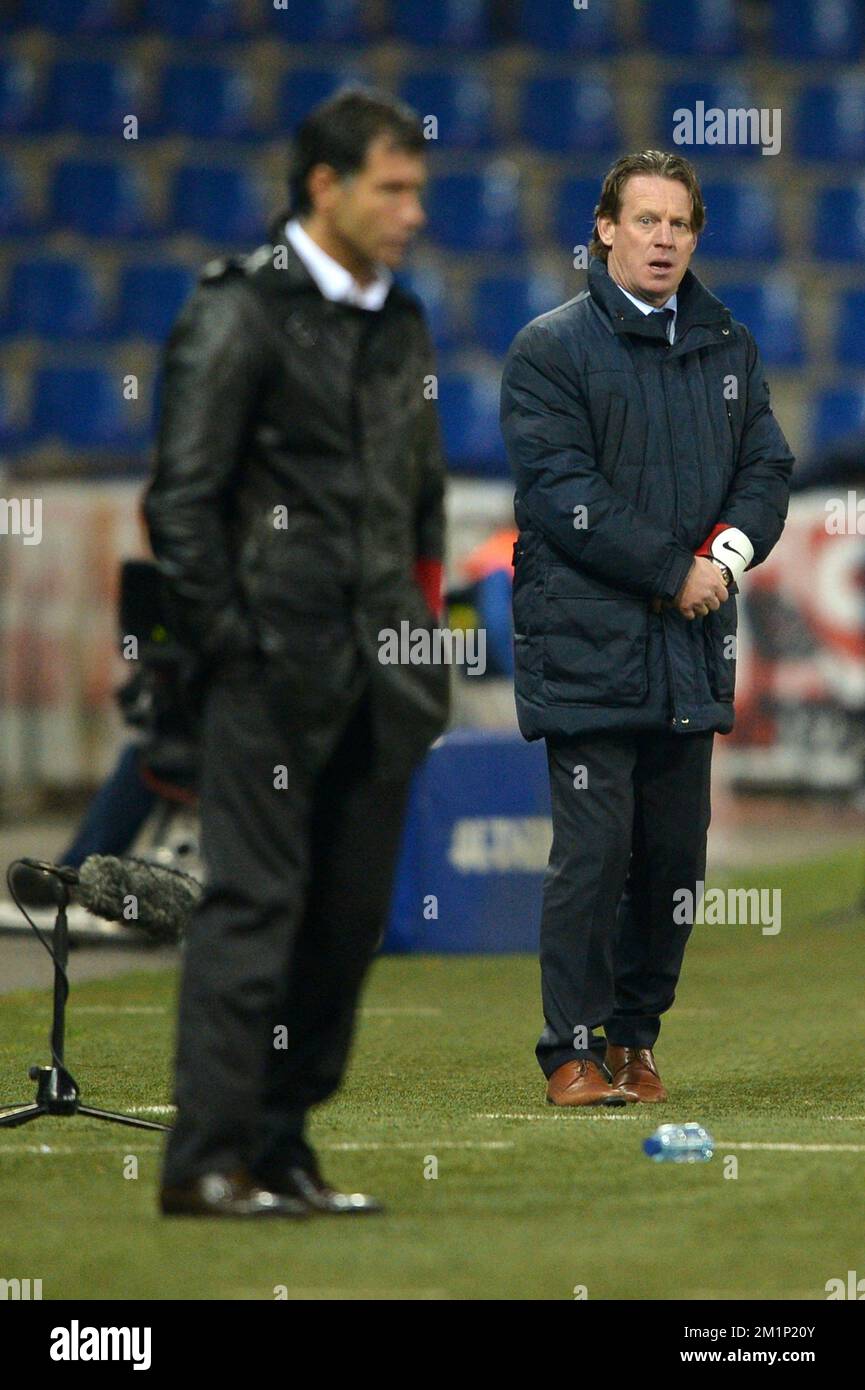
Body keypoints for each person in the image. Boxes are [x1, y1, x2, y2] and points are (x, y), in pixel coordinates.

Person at [144, 89, 449, 1216]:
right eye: (392, 188)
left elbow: (417, 505)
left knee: (343, 921)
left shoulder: (401, 319)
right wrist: (233, 646)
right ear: (323, 187)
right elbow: (181, 500)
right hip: (271, 676)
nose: (413, 211)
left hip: (383, 681)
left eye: (419, 189)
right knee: (254, 910)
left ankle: (280, 1145)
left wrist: (422, 652)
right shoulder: (241, 310)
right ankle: (205, 1160)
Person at [500, 150, 794, 1108]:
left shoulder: (728, 346)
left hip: (687, 649)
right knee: (591, 858)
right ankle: (569, 1051)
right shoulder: (550, 348)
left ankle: (634, 1039)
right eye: (645, 221)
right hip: (586, 648)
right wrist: (675, 574)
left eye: (679, 224)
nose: (663, 239)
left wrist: (730, 559)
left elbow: (766, 469)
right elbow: (561, 496)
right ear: (604, 228)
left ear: (694, 237)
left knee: (672, 862)